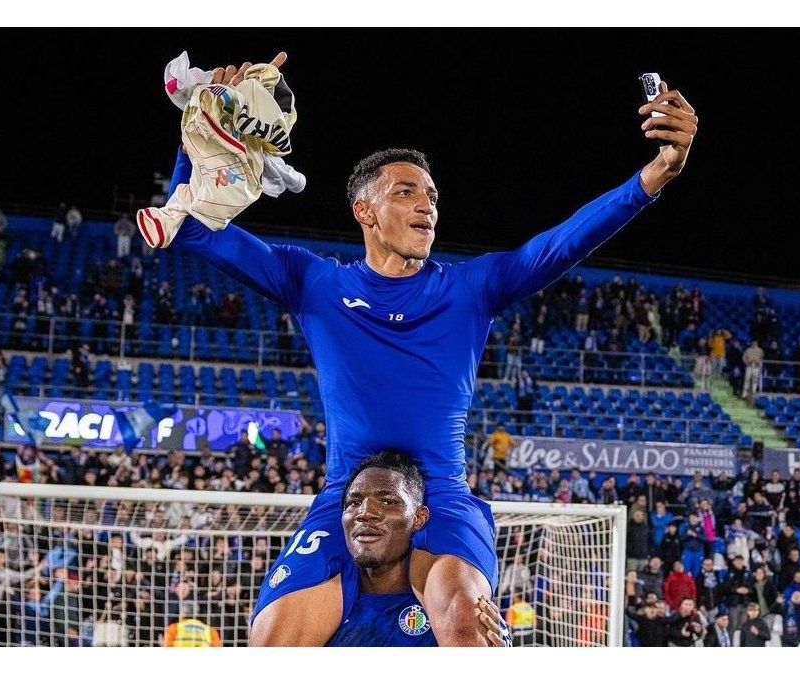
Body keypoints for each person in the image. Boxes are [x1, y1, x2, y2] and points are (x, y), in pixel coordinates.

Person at [141, 56, 697, 646]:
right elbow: (192, 224)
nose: (426, 205)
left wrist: (655, 176)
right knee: (272, 642)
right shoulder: (315, 283)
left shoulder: (469, 289)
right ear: (365, 212)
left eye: (430, 195)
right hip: (347, 498)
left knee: (464, 625)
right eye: (405, 192)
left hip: (442, 495)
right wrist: (199, 119)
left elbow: (559, 246)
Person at [326, 451, 509, 647]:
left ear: (419, 518)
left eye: (387, 501)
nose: (365, 513)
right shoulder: (320, 610)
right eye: (354, 503)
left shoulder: (462, 615)